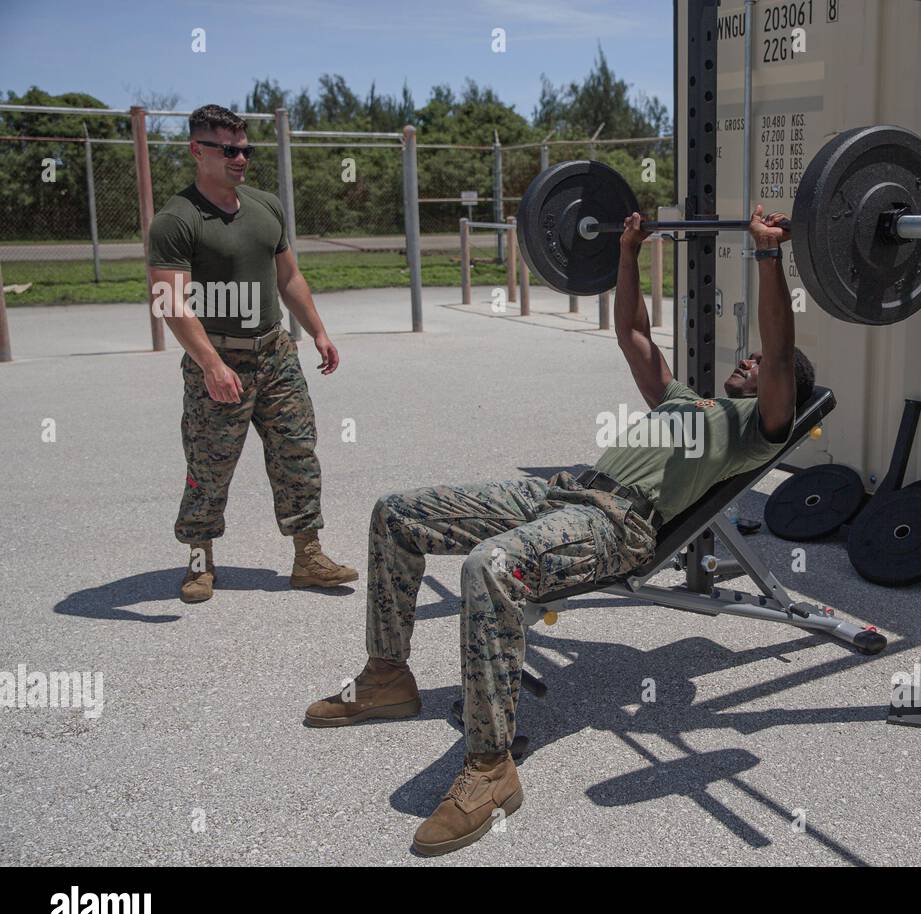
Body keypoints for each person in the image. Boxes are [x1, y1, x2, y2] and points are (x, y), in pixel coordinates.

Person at [304, 207, 815, 857]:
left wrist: (769, 260)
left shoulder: (754, 432)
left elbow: (776, 369)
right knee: (396, 514)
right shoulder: (687, 403)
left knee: (491, 568)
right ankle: (386, 676)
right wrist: (628, 250)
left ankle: (490, 770)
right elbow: (632, 331)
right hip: (562, 493)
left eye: (763, 362)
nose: (749, 360)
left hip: (612, 525)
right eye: (747, 356)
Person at [147, 105, 357, 603]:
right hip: (218, 361)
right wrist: (211, 365)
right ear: (199, 151)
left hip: (276, 353)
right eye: (229, 150)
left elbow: (289, 277)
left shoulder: (266, 206)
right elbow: (170, 303)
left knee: (297, 452)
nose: (241, 158)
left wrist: (319, 332)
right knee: (209, 465)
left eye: (246, 149)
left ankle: (308, 556)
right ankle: (200, 561)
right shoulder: (176, 220)